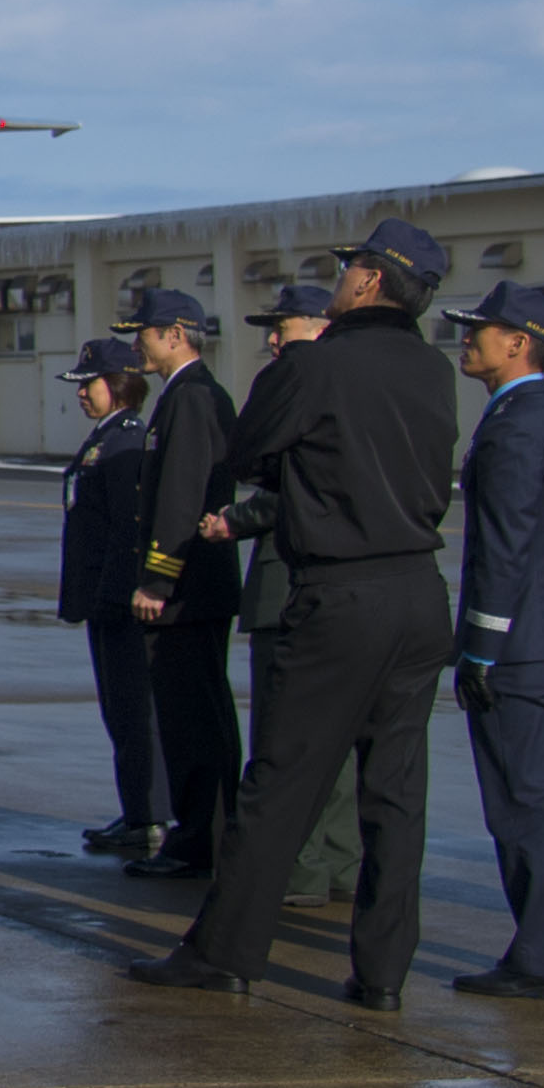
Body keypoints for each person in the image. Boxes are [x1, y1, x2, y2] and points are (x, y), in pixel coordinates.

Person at [128, 219, 459, 1008]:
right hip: (418, 589)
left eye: (351, 268)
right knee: (397, 792)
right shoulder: (431, 368)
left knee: (280, 783)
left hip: (342, 590)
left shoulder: (320, 365)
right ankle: (381, 972)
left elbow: (246, 453)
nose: (341, 278)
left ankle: (226, 949)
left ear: (371, 281)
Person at [444, 283, 544, 1001]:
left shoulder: (513, 427)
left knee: (526, 803)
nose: (467, 339)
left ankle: (543, 958)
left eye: (481, 329)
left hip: (521, 646)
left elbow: (502, 550)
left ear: (519, 342)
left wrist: (480, 647)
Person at [238, 284, 360, 908]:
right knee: (336, 740)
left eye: (279, 327)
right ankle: (338, 863)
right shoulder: (360, 386)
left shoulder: (298, 388)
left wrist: (232, 521)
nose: (271, 341)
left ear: (314, 327)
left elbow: (279, 481)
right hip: (345, 588)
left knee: (286, 738)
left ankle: (301, 869)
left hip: (292, 581)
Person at [122, 290, 243, 882]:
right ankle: (202, 835)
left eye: (142, 332)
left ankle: (199, 840)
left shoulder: (192, 398)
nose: (136, 343)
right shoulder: (185, 395)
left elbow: (180, 496)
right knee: (194, 717)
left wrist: (156, 580)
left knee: (193, 721)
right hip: (193, 589)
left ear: (175, 333)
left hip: (187, 592)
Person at [55, 335, 162, 857]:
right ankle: (137, 810)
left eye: (88, 384)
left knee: (130, 710)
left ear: (119, 384)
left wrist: (112, 594)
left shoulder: (124, 442)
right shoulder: (107, 438)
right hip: (102, 597)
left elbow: (127, 528)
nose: (80, 393)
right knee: (118, 711)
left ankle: (148, 814)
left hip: (117, 600)